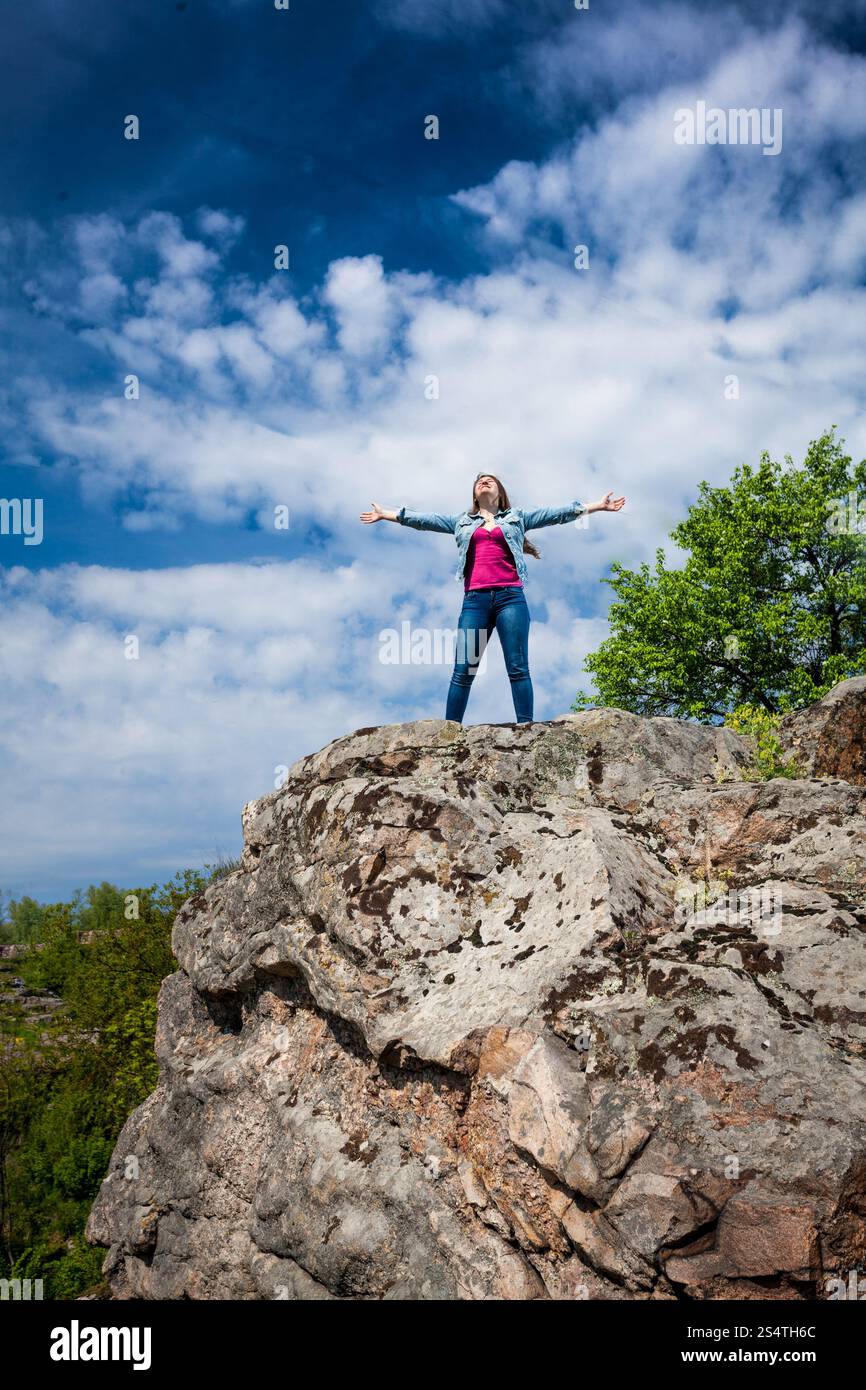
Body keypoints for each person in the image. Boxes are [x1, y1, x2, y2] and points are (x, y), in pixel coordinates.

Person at [360, 472, 626, 724]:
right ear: (475, 496)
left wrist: (596, 507)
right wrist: (387, 514)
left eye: (490, 480)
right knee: (463, 670)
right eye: (479, 482)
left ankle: (526, 729)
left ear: (500, 493)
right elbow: (424, 520)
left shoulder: (518, 518)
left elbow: (556, 514)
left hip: (510, 599)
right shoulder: (461, 522)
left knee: (518, 668)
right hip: (475, 602)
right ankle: (449, 731)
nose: (484, 482)